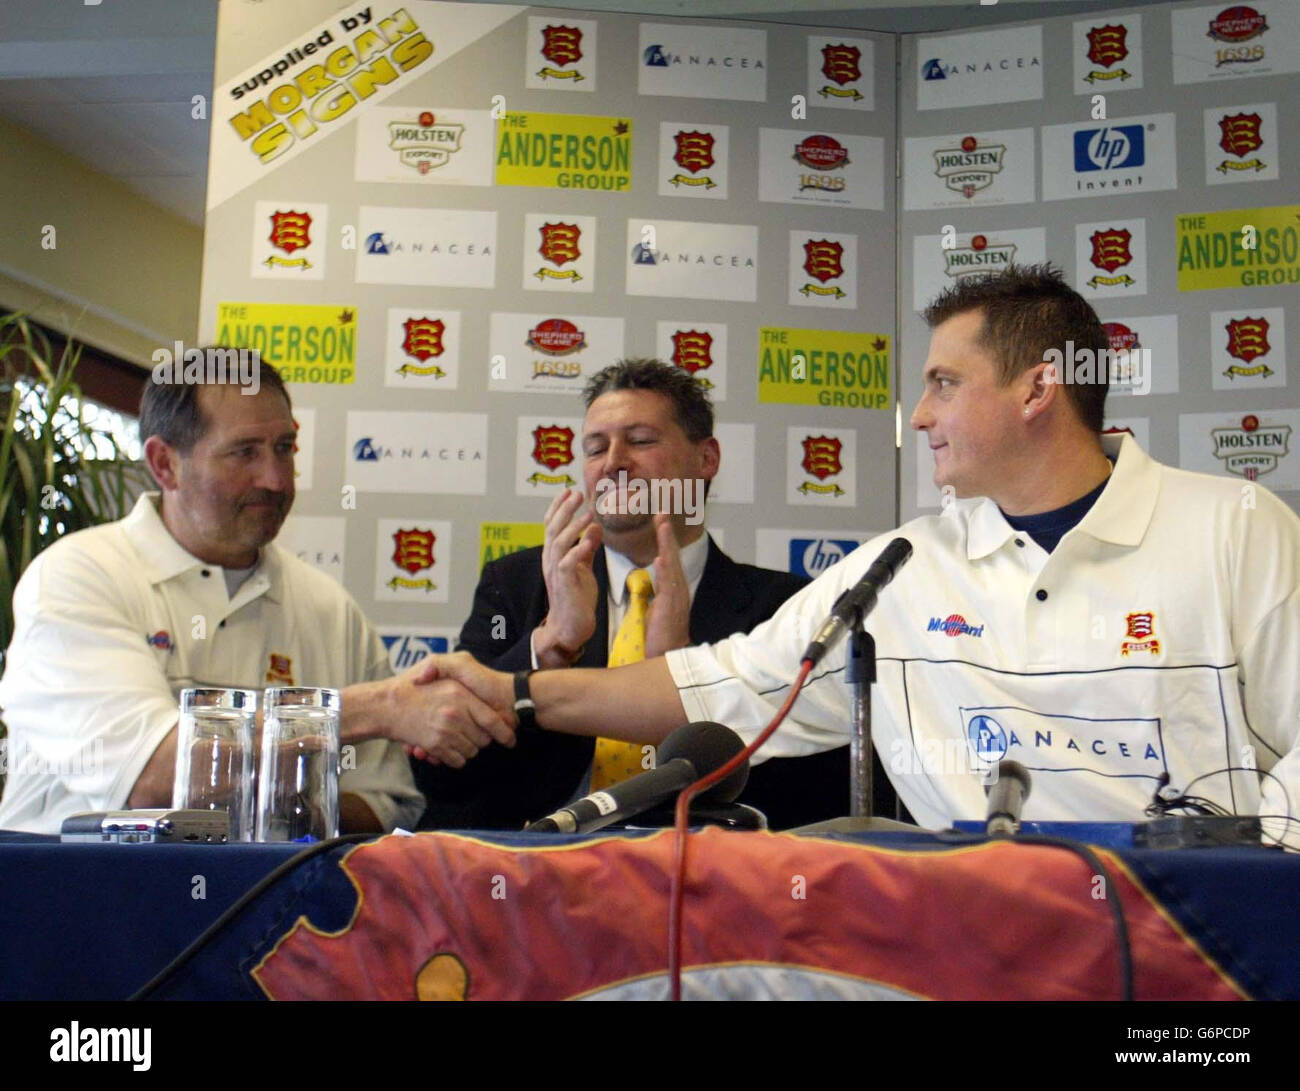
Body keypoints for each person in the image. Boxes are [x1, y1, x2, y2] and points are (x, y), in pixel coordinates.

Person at [413, 267, 1300, 846]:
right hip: (973, 962)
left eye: (943, 384)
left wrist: (1257, 887)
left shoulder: (1233, 526)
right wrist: (517, 687)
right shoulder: (901, 566)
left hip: (1198, 960)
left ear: (1039, 385)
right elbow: (725, 684)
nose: (918, 416)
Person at [0, 352, 512, 835]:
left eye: (284, 449)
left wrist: (291, 813)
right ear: (164, 464)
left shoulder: (329, 610)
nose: (275, 479)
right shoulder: (77, 578)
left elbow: (386, 803)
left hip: (269, 921)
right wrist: (374, 708)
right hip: (73, 911)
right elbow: (155, 778)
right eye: (244, 452)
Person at [414, 358, 868, 830]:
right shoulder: (516, 585)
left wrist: (682, 677)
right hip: (533, 875)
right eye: (595, 448)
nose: (613, 463)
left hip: (701, 880)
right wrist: (549, 647)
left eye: (640, 441)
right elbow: (443, 777)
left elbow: (816, 800)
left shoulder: (785, 608)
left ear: (706, 458)